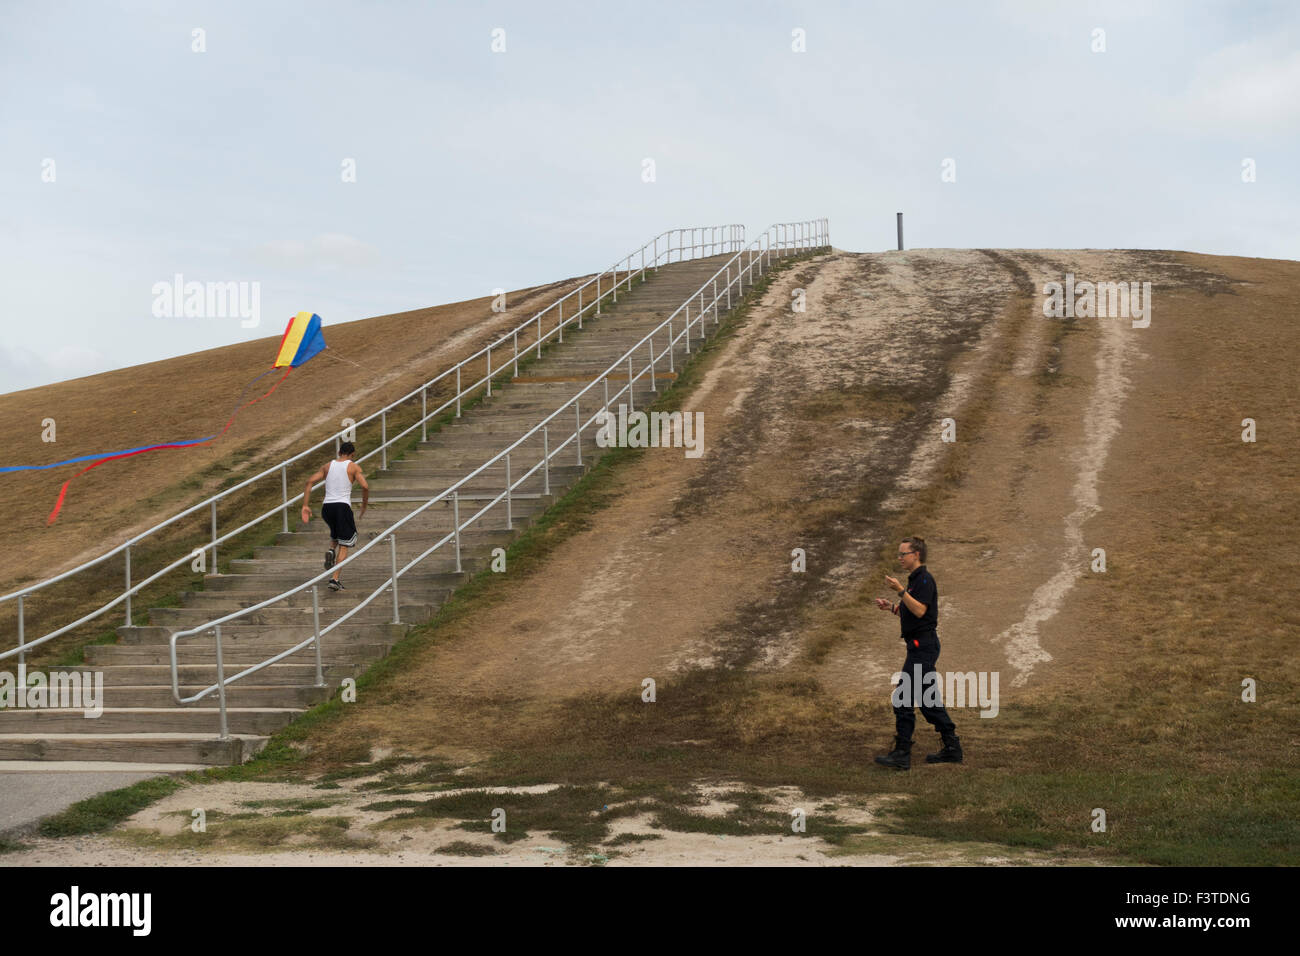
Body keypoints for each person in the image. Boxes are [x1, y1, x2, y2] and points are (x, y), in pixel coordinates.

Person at [872, 536, 963, 769]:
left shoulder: (924, 580)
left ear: (917, 555)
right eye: (899, 554)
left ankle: (902, 753)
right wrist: (892, 607)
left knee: (902, 699)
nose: (900, 558)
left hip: (923, 648)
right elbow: (911, 613)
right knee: (927, 701)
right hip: (920, 646)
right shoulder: (915, 581)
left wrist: (901, 591)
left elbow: (921, 611)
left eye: (903, 554)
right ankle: (952, 748)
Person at [301, 442, 369, 591]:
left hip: (327, 508)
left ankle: (331, 550)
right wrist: (364, 505)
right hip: (342, 507)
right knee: (345, 544)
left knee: (337, 534)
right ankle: (334, 579)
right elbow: (365, 486)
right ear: (352, 455)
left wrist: (305, 505)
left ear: (339, 452)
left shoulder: (327, 466)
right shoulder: (353, 466)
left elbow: (309, 481)